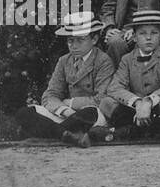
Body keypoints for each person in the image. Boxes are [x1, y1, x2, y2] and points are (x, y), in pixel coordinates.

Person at [14, 11, 114, 147]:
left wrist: (70, 103)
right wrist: (63, 110)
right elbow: (50, 95)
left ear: (94, 39)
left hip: (91, 113)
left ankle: (49, 131)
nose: (74, 45)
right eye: (70, 40)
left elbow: (101, 98)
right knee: (24, 112)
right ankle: (65, 134)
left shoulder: (103, 61)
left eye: (80, 39)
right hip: (66, 114)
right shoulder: (64, 61)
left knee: (88, 113)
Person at [103, 10, 160, 142]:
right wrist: (138, 103)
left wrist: (149, 101)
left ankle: (137, 129)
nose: (148, 38)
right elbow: (115, 87)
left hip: (158, 104)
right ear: (134, 37)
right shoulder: (127, 59)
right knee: (106, 102)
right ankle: (142, 127)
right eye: (142, 33)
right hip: (133, 107)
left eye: (154, 33)